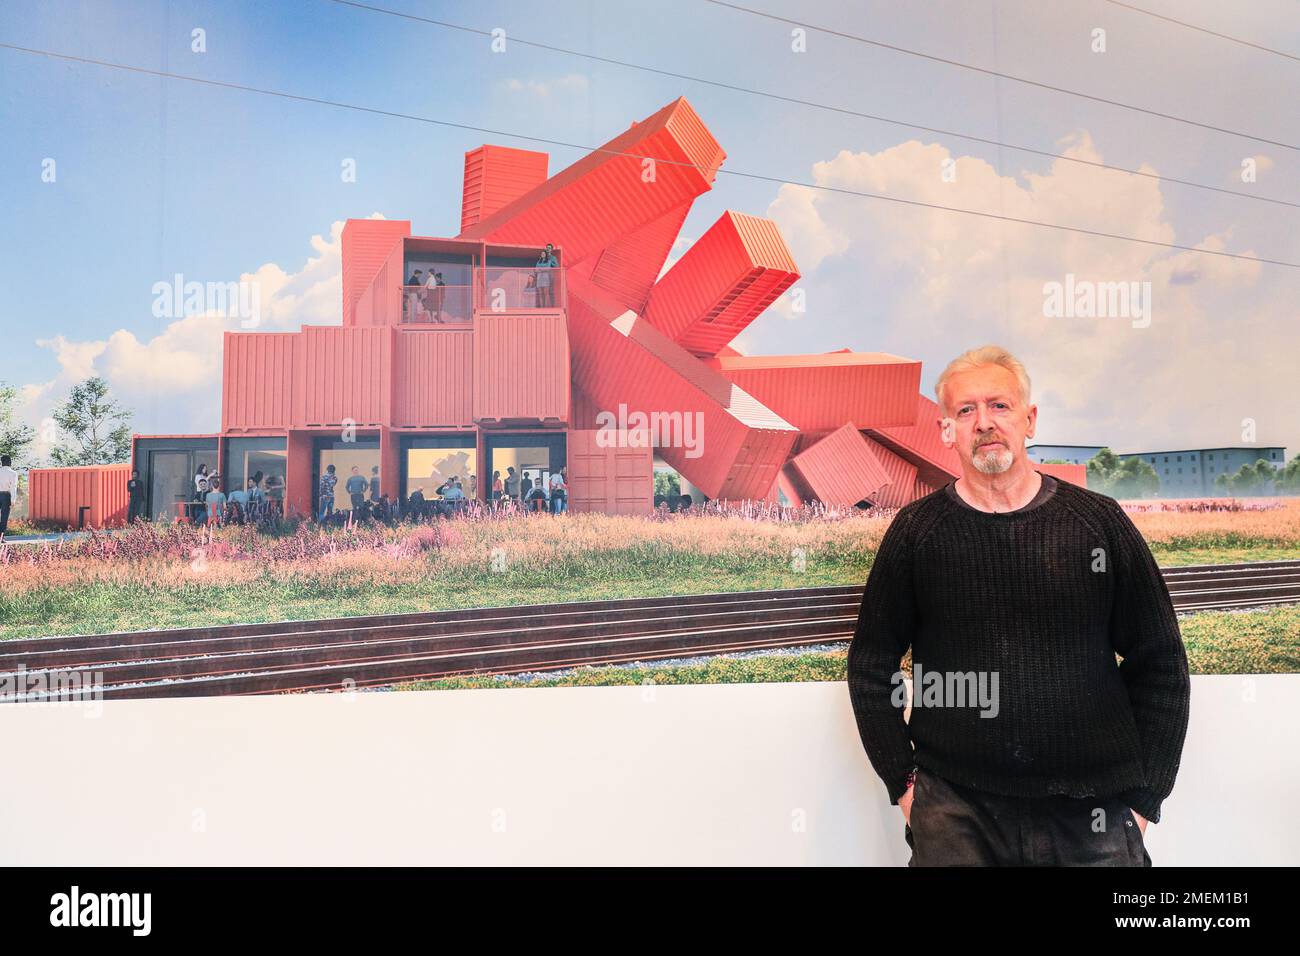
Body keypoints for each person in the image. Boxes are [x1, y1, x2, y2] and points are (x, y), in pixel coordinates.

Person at [846, 346, 1190, 867]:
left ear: (1029, 420)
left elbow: (1161, 662)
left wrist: (1145, 800)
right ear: (947, 430)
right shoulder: (917, 534)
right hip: (956, 815)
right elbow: (872, 665)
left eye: (999, 406)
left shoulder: (1099, 524)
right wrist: (906, 786)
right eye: (966, 411)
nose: (983, 423)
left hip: (1093, 815)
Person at [0, 455, 18, 540]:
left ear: (1, 462)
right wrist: (13, 500)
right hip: (6, 496)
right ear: (10, 462)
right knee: (4, 517)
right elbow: (13, 487)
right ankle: (1, 537)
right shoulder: (13, 473)